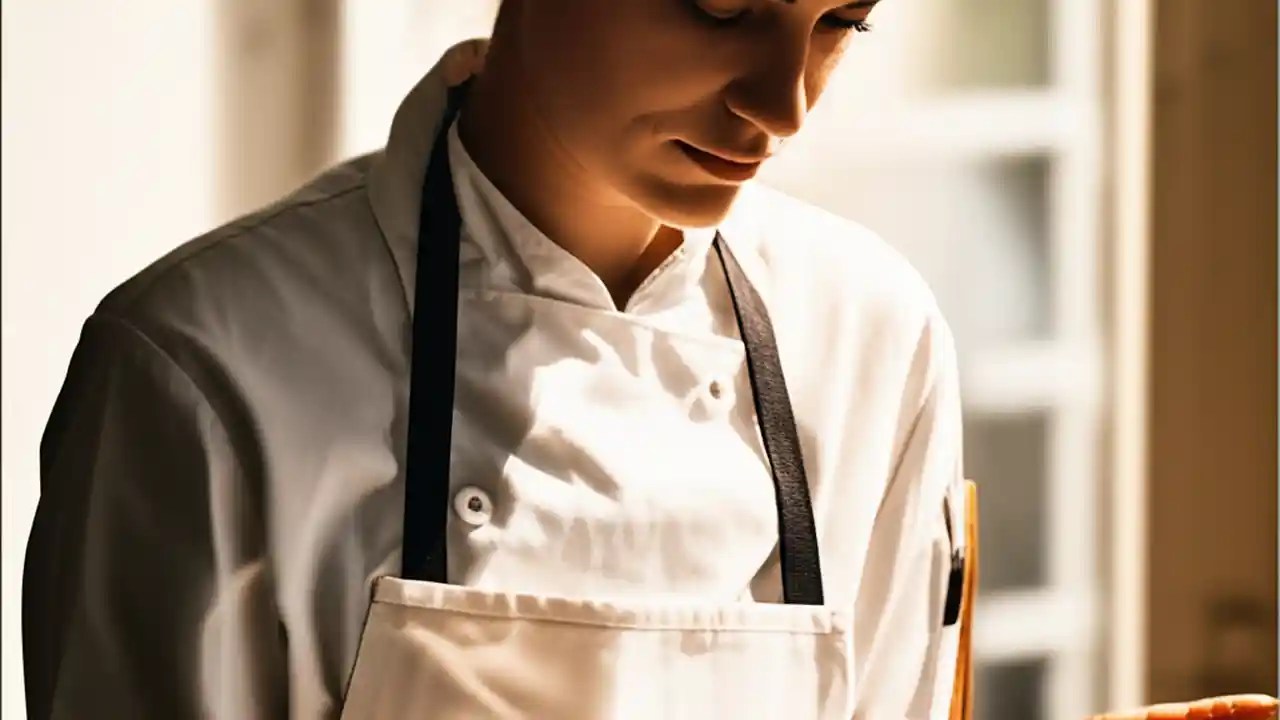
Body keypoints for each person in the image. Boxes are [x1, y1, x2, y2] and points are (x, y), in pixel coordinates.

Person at [22, 1, 972, 717]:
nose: (786, 103)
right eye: (722, 6)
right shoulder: (203, 370)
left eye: (841, 21)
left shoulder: (875, 340)